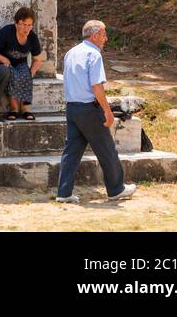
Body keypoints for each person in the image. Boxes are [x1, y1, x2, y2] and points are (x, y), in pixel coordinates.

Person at [56, 18, 137, 205]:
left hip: (72, 108)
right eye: (103, 34)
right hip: (89, 108)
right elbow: (97, 87)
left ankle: (64, 191)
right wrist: (107, 111)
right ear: (94, 35)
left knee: (72, 151)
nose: (106, 38)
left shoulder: (71, 53)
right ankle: (116, 189)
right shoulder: (94, 54)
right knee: (106, 148)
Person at [0, 6, 44, 120]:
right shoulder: (6, 32)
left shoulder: (32, 37)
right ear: (16, 23)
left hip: (21, 64)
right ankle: (14, 109)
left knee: (26, 75)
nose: (26, 28)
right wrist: (3, 59)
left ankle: (25, 109)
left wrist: (31, 73)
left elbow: (38, 59)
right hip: (5, 64)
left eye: (29, 25)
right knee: (13, 76)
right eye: (23, 24)